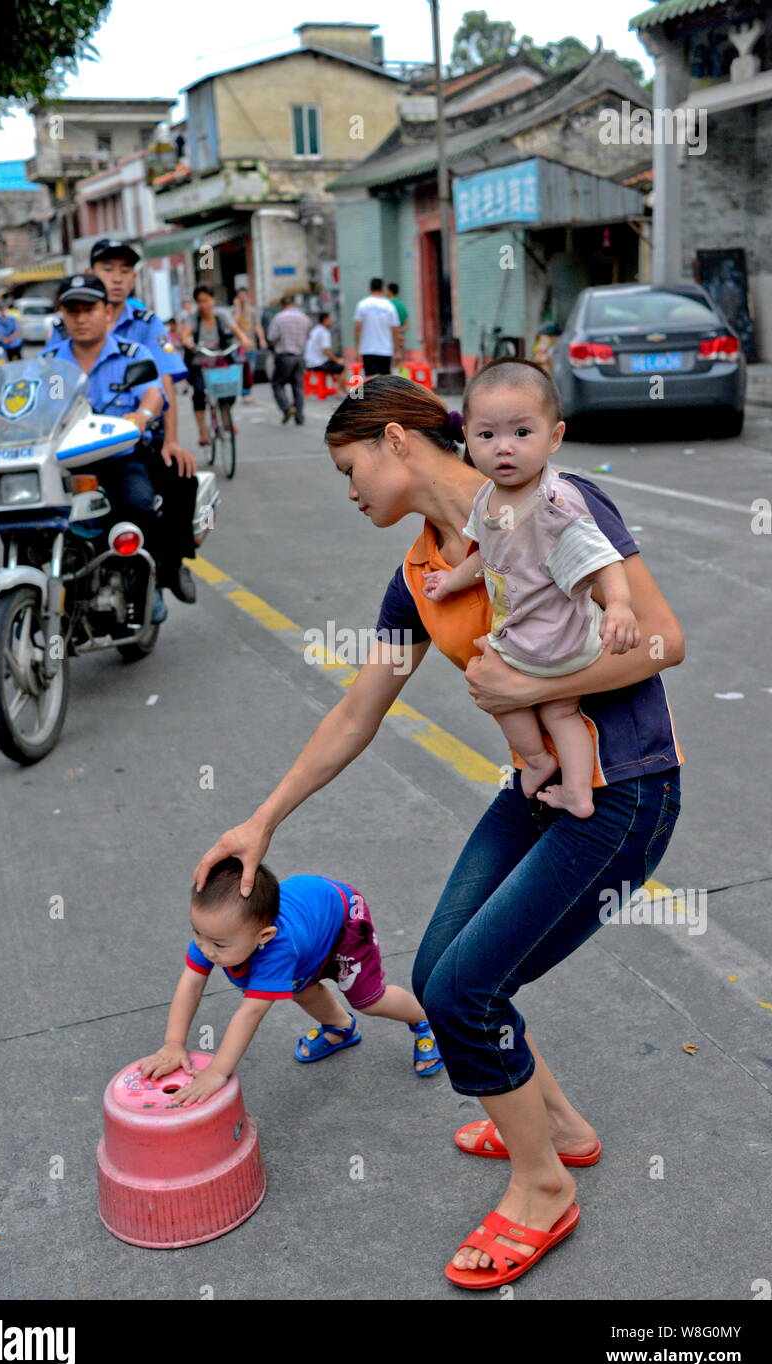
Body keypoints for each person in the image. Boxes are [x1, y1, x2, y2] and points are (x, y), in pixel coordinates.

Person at [191, 372, 685, 1289]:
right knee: (440, 972)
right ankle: (562, 1131)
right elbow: (356, 713)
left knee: (463, 993)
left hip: (622, 790)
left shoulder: (552, 497)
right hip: (539, 789)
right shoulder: (420, 573)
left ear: (394, 441)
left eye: (350, 469)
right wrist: (259, 820)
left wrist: (524, 692)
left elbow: (661, 638)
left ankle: (540, 1188)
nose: (349, 493)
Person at [423, 362, 640, 819]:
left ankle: (540, 762)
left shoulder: (555, 504)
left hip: (557, 638)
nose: (504, 448)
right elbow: (485, 558)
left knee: (492, 679)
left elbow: (604, 559)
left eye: (522, 433)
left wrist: (619, 605)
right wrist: (449, 581)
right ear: (468, 441)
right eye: (487, 436)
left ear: (554, 437)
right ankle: (575, 790)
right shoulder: (488, 497)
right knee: (557, 712)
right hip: (530, 631)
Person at [137, 857, 444, 1105]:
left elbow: (251, 1012)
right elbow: (191, 983)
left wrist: (217, 1072)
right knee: (301, 989)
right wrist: (173, 1045)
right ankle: (341, 1027)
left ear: (264, 936)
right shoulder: (215, 935)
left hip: (342, 918)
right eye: (196, 932)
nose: (204, 948)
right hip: (311, 927)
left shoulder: (276, 950)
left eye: (217, 945)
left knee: (368, 998)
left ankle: (427, 1021)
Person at [48, 239, 198, 605]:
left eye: (125, 271)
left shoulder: (145, 326)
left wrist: (168, 438)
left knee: (172, 482)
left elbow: (161, 384)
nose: (116, 278)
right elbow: (45, 381)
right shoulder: (61, 331)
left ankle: (164, 568)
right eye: (107, 269)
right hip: (71, 445)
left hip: (133, 436)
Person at [40, 273, 169, 625]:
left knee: (139, 507)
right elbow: (44, 406)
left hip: (118, 458)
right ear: (62, 315)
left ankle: (146, 587)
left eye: (89, 309)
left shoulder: (131, 355)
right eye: (72, 310)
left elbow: (153, 392)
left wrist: (142, 415)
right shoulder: (51, 363)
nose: (81, 318)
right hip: (64, 463)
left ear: (107, 313)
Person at [181, 284, 250, 446]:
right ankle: (202, 430)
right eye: (200, 301)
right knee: (198, 393)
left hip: (221, 360)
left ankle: (226, 417)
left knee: (231, 389)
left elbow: (236, 330)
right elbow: (185, 334)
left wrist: (245, 340)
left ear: (213, 300)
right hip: (200, 363)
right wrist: (187, 342)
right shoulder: (194, 318)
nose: (204, 305)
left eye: (206, 300)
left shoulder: (222, 315)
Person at [267, 293, 312, 425]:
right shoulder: (305, 318)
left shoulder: (279, 318)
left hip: (284, 356)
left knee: (277, 384)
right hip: (299, 356)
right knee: (298, 387)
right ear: (294, 304)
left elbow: (272, 337)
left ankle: (286, 408)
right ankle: (299, 417)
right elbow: (309, 336)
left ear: (282, 305)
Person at [354, 277, 402, 377]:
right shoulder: (389, 306)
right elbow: (395, 330)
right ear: (383, 289)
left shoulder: (363, 305)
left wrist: (357, 349)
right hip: (385, 349)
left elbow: (358, 328)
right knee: (384, 383)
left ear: (370, 288)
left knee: (371, 381)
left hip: (367, 349)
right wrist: (397, 350)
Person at [231, 287, 267, 399]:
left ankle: (246, 392)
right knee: (239, 370)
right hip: (237, 346)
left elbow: (257, 326)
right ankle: (242, 392)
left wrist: (262, 339)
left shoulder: (252, 311)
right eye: (240, 296)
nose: (242, 298)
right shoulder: (233, 311)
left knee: (250, 370)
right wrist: (237, 308)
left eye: (244, 295)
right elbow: (234, 325)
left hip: (250, 345)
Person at [304, 310, 347, 397]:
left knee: (335, 366)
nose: (332, 321)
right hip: (318, 363)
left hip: (309, 363)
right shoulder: (324, 332)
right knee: (342, 368)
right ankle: (340, 392)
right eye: (330, 319)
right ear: (325, 320)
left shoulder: (315, 330)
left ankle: (339, 390)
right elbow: (326, 351)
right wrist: (337, 360)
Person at [386, 282, 409, 364]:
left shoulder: (386, 305)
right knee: (400, 365)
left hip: (388, 340)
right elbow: (406, 325)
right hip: (400, 339)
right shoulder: (401, 305)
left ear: (389, 291)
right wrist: (398, 331)